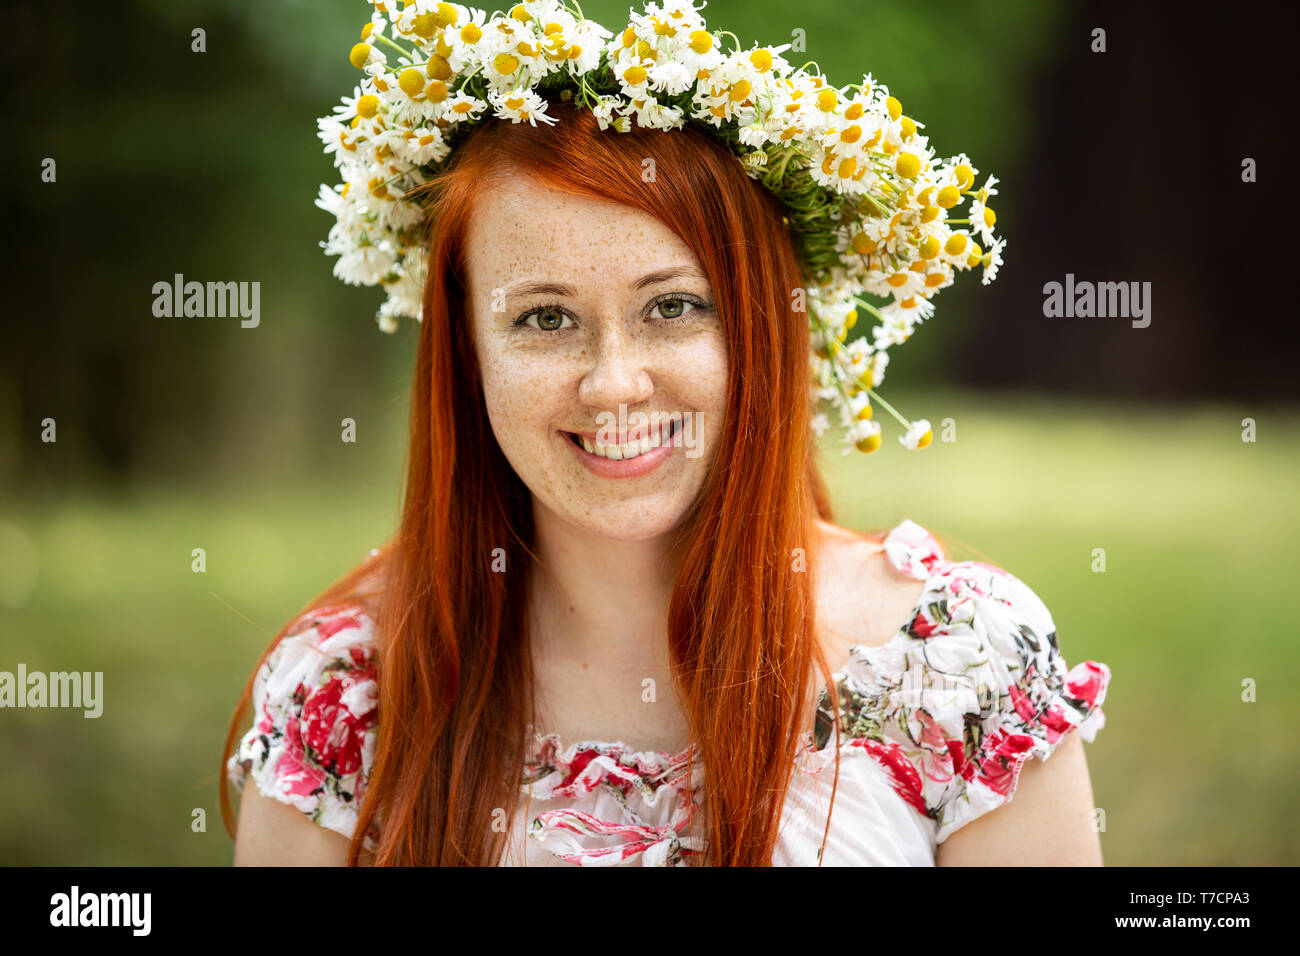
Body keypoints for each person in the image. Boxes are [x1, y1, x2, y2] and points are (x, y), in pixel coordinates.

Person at [220, 1, 1110, 867]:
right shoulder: (345, 693)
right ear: (466, 352)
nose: (613, 383)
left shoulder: (956, 665)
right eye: (542, 320)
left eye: (673, 306)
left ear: (763, 326)